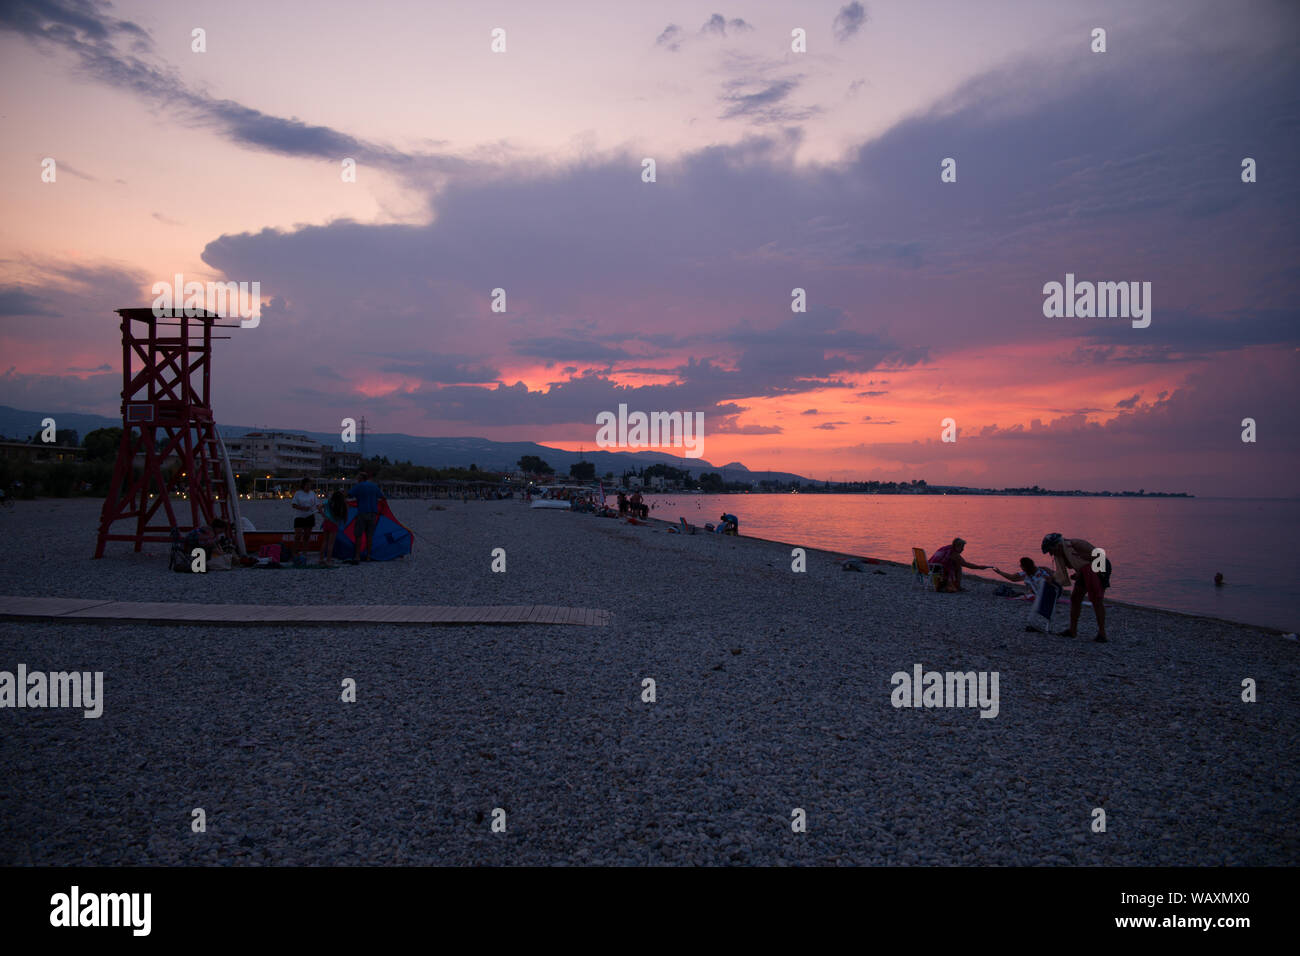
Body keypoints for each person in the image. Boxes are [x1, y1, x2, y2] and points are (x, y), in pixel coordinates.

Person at [1042, 532, 1109, 642]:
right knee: (1075, 599)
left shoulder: (1076, 544)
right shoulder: (1062, 552)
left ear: (1057, 545)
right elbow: (1071, 568)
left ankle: (1102, 633)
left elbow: (1100, 556)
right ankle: (1072, 631)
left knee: (1097, 600)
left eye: (1051, 550)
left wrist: (1093, 575)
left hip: (1099, 567)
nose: (1051, 554)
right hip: (1084, 572)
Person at [350, 471, 383, 563]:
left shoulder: (359, 486)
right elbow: (381, 496)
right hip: (373, 514)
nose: (357, 480)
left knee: (358, 535)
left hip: (362, 513)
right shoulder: (374, 486)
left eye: (357, 478)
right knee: (369, 536)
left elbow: (349, 495)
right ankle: (368, 556)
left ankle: (357, 556)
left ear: (361, 479)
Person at [320, 490, 349, 567]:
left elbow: (319, 507)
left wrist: (323, 515)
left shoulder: (328, 502)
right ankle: (328, 560)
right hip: (334, 524)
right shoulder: (340, 504)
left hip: (326, 522)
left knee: (324, 542)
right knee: (331, 543)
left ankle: (321, 559)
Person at [291, 478, 318, 550]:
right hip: (299, 516)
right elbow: (293, 505)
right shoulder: (298, 493)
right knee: (298, 536)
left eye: (310, 485)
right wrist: (302, 508)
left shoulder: (313, 493)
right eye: (307, 485)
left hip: (310, 516)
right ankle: (295, 552)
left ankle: (304, 553)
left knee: (307, 536)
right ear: (303, 485)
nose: (309, 486)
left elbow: (317, 504)